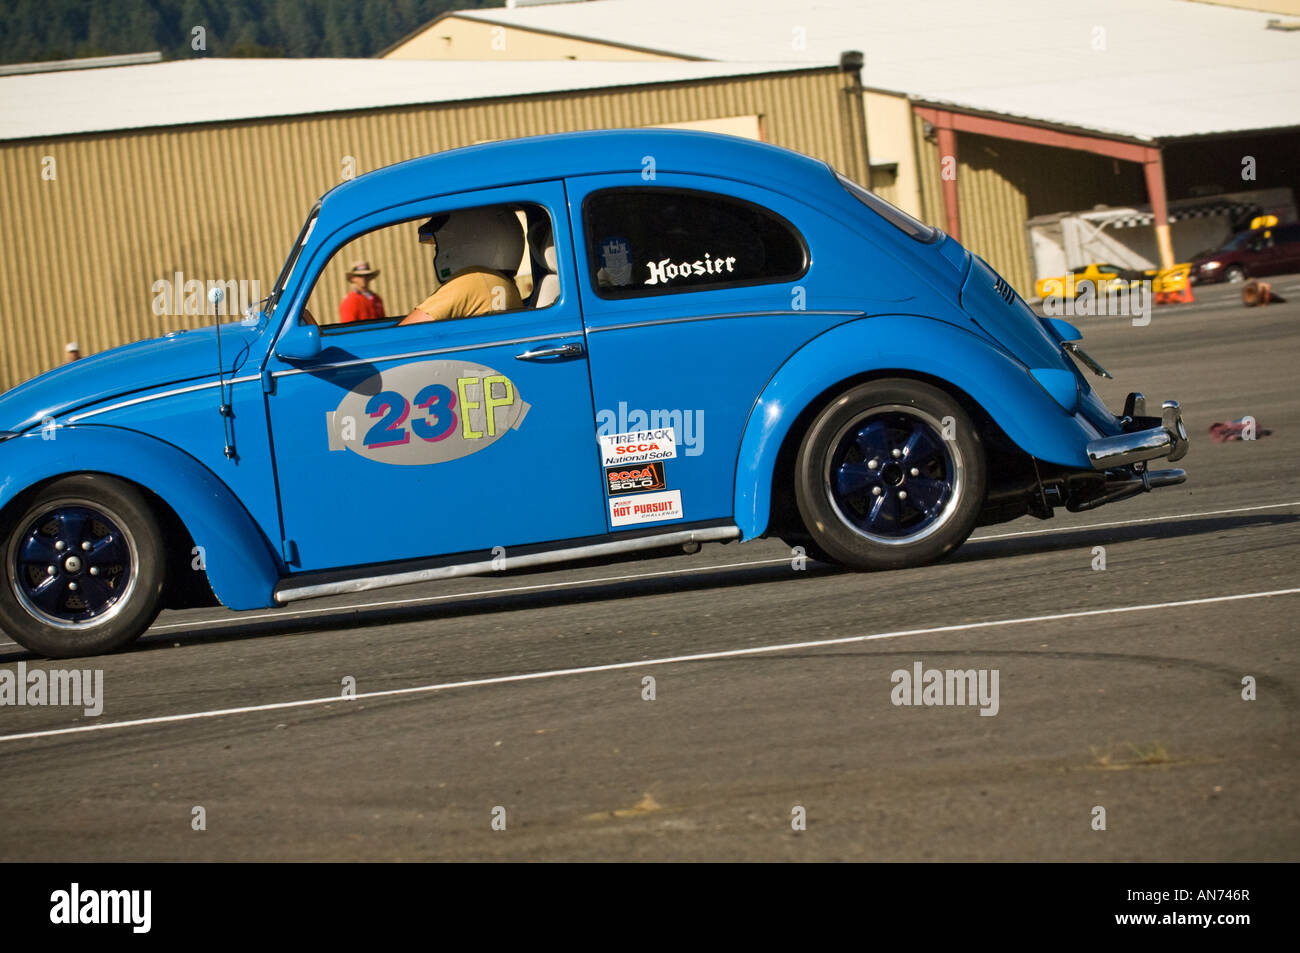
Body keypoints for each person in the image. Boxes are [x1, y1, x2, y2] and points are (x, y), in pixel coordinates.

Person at [400, 207, 524, 325]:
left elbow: (407, 332)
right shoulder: (501, 283)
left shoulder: (473, 281)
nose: (437, 250)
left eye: (438, 246)